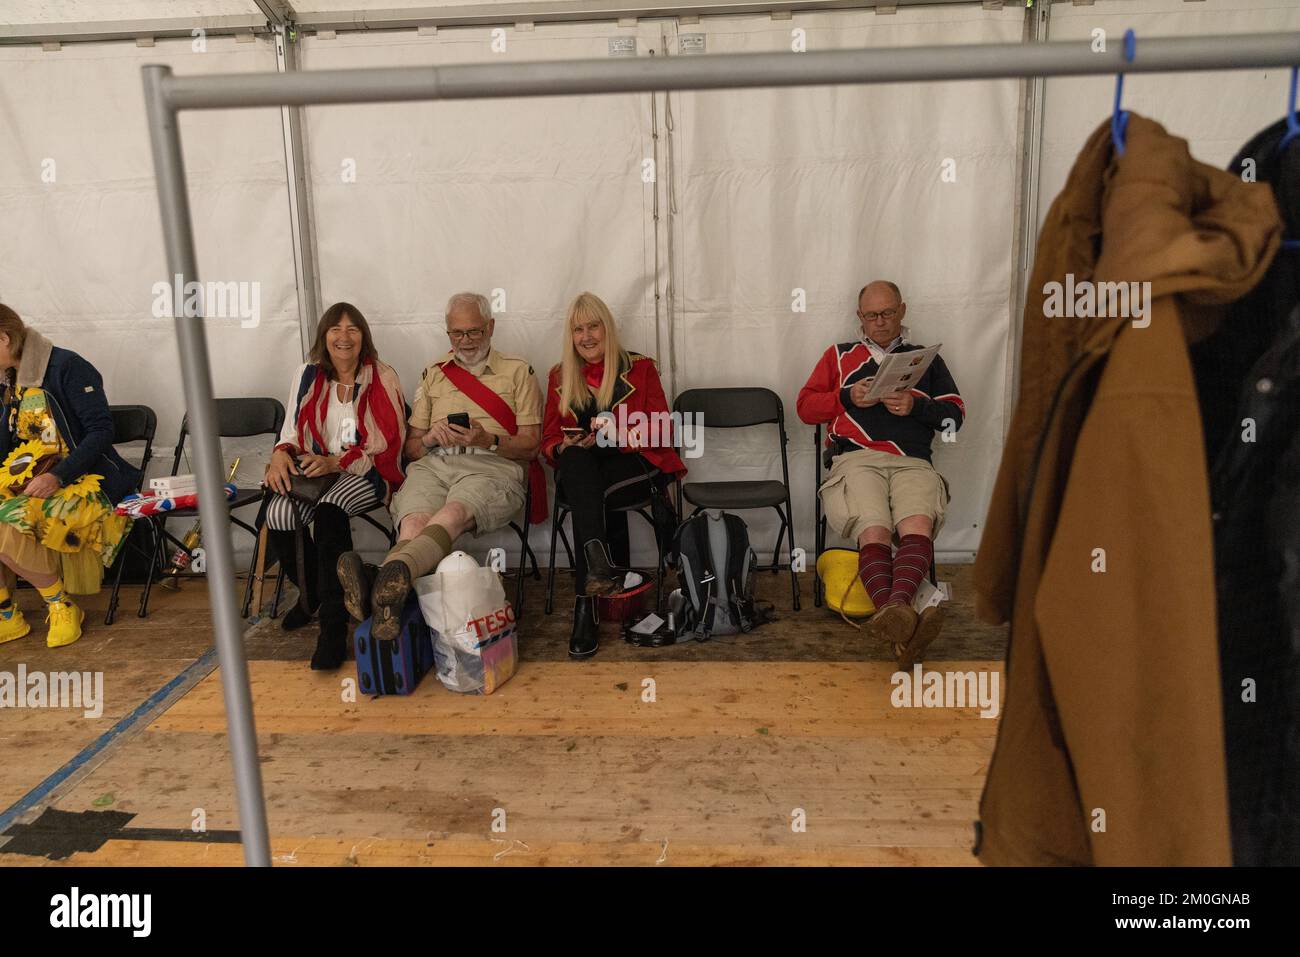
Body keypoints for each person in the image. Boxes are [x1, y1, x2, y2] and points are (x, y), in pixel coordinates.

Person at [337, 292, 544, 641]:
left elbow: (532, 445)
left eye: (474, 332)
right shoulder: (433, 375)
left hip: (491, 467)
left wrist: (487, 439)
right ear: (447, 332)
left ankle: (380, 580)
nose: (465, 342)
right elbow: (412, 450)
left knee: (448, 515)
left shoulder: (518, 371)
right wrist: (430, 438)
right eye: (457, 334)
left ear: (491, 327)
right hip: (434, 465)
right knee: (414, 523)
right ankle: (392, 604)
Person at [796, 280, 964, 665]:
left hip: (913, 460)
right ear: (860, 318)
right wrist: (845, 397)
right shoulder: (839, 357)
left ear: (902, 311)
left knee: (916, 524)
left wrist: (915, 405)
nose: (880, 322)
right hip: (856, 458)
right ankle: (906, 616)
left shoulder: (926, 360)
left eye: (888, 313)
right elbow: (805, 409)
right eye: (872, 315)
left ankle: (894, 614)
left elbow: (955, 418)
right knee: (873, 528)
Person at [541, 292, 686, 658]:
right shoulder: (558, 376)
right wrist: (566, 446)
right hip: (585, 473)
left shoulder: (640, 368)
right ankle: (598, 578)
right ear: (570, 335)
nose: (587, 336)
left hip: (633, 465)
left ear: (608, 328)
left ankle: (585, 603)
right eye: (578, 329)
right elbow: (548, 439)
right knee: (575, 461)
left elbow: (662, 429)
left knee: (588, 490)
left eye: (594, 326)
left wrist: (616, 434)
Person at [263, 302, 406, 670]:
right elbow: (292, 430)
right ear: (324, 336)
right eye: (335, 329)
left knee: (328, 514)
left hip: (366, 470)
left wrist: (337, 462)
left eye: (353, 329)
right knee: (277, 512)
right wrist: (280, 454)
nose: (344, 337)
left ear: (364, 337)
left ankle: (332, 626)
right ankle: (311, 595)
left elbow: (389, 442)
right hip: (316, 467)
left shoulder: (382, 376)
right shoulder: (308, 374)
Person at [0, 304, 140, 648]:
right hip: (30, 475)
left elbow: (100, 432)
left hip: (83, 476)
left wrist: (58, 476)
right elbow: (9, 442)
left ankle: (60, 604)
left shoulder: (66, 367)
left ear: (4, 339)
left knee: (8, 518)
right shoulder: (8, 380)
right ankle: (6, 613)